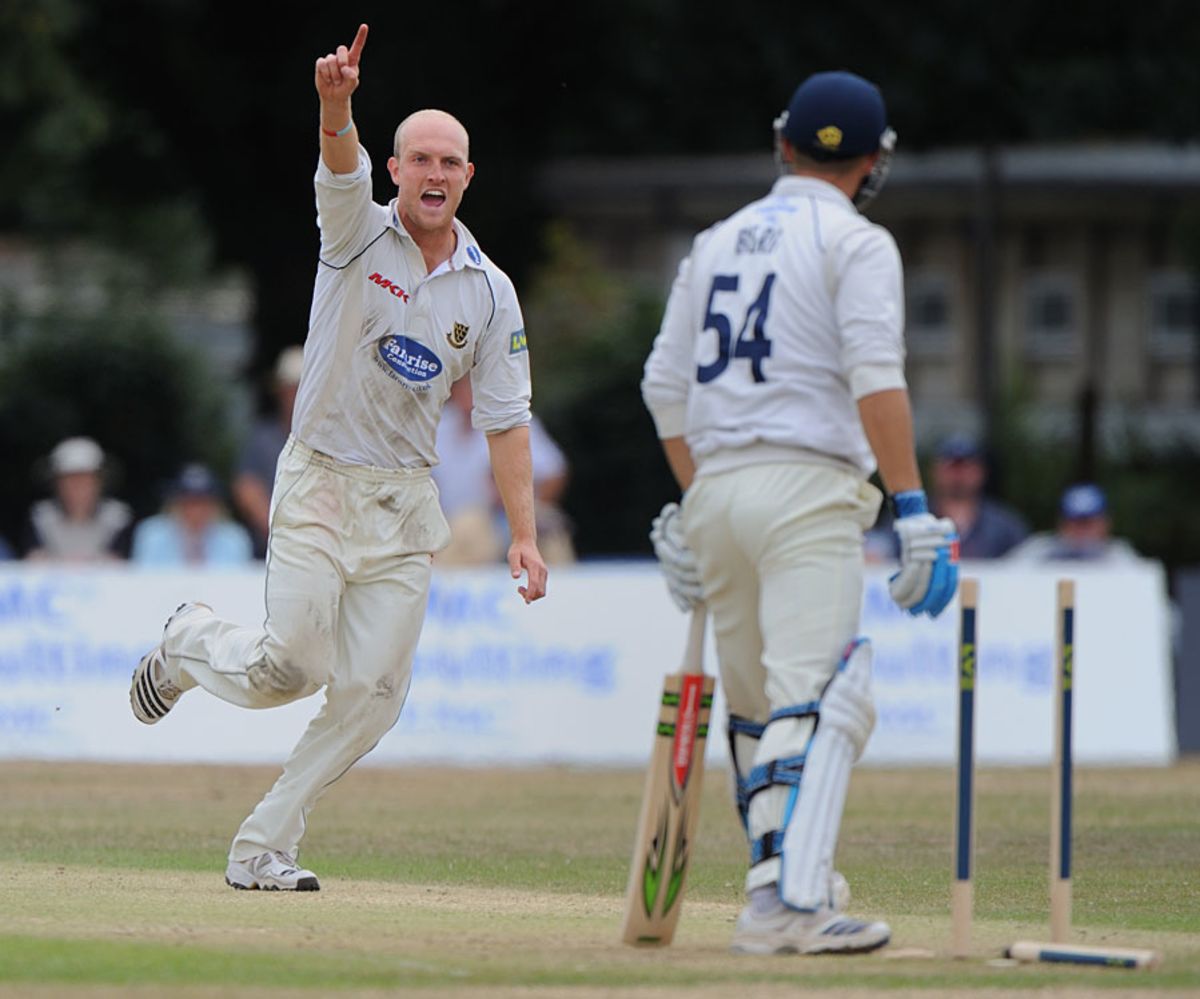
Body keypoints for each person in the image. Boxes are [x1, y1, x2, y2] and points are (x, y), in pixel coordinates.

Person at [128, 23, 546, 893]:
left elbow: (507, 422)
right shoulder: (356, 230)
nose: (434, 174)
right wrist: (336, 102)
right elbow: (338, 167)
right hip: (320, 477)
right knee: (295, 668)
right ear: (397, 170)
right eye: (420, 159)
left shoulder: (491, 290)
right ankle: (187, 639)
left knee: (373, 699)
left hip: (402, 503)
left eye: (450, 162)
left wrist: (525, 534)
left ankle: (261, 847)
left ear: (470, 177)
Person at [641, 71, 958, 956]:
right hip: (811, 489)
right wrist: (914, 510)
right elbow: (876, 379)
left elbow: (663, 387)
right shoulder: (856, 243)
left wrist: (697, 491)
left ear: (783, 144)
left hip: (720, 488)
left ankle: (781, 883)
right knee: (821, 698)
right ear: (875, 162)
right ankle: (788, 900)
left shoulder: (713, 242)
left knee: (757, 709)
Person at [433, 375, 574, 566]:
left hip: (508, 516)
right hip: (453, 523)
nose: (469, 395)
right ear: (453, 392)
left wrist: (528, 508)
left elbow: (554, 472)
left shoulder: (513, 419)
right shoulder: (437, 425)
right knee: (465, 530)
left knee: (551, 535)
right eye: (464, 389)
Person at [867, 433, 1029, 561]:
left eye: (965, 468)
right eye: (951, 468)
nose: (958, 476)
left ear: (981, 472)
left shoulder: (1004, 525)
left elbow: (1024, 565)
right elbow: (883, 552)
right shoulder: (909, 518)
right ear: (935, 471)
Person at [232, 345, 305, 557]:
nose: (295, 396)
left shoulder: (333, 440)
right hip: (270, 551)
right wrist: (281, 531)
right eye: (291, 389)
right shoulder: (262, 438)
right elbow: (246, 488)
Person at [22, 436, 133, 562]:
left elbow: (120, 563)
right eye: (70, 480)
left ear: (99, 482)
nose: (77, 487)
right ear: (57, 483)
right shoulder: (41, 517)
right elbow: (33, 561)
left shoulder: (117, 517)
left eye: (85, 480)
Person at [131, 464, 254, 566]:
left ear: (216, 506)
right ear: (175, 504)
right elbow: (145, 580)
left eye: (203, 503)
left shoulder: (234, 538)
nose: (196, 511)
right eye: (189, 503)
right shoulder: (151, 534)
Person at [1005, 482, 1142, 563]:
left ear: (1105, 524)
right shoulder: (1038, 551)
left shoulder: (1121, 556)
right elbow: (1004, 576)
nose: (1081, 530)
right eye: (1074, 522)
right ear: (1061, 523)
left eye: (1087, 522)